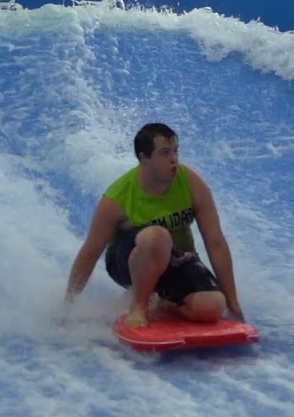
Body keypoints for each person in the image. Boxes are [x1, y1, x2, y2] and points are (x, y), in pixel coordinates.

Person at [63, 123, 244, 328]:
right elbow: (90, 252)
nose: (174, 158)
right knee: (157, 237)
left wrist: (233, 302)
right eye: (164, 153)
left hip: (176, 259)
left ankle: (163, 299)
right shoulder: (118, 198)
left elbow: (215, 241)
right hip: (129, 261)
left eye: (176, 151)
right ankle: (139, 306)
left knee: (212, 307)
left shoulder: (192, 183)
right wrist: (68, 305)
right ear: (144, 158)